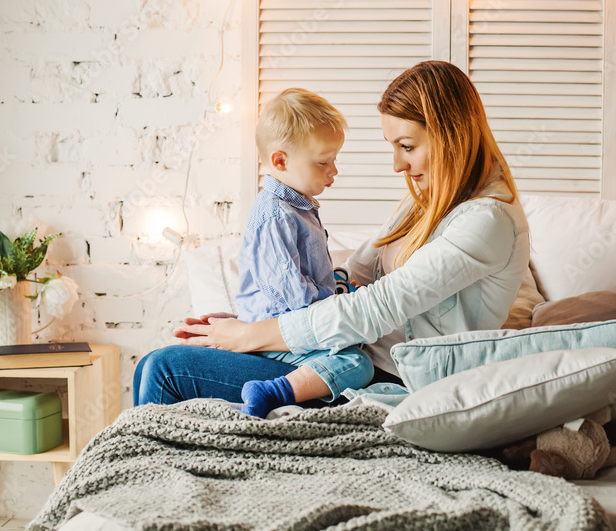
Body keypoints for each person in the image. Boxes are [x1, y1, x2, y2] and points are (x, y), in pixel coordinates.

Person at [133, 61, 529, 408]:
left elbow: (377, 305)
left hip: (381, 375)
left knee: (164, 368)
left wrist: (250, 336)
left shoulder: (487, 220)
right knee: (156, 365)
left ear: (451, 135)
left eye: (406, 146)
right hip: (340, 350)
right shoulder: (430, 198)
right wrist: (256, 318)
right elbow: (352, 275)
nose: (397, 165)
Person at [181, 88, 374, 418]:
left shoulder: (300, 209)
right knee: (356, 363)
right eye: (324, 161)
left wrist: (341, 285)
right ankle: (271, 391)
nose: (334, 171)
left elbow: (313, 275)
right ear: (280, 160)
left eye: (335, 160)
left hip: (293, 323)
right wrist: (339, 311)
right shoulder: (276, 216)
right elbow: (292, 295)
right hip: (278, 333)